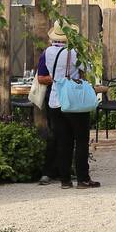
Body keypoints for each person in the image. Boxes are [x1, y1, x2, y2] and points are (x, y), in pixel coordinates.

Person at [35, 21, 98, 189]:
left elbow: (43, 75)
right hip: (74, 100)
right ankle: (83, 178)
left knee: (63, 141)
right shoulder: (76, 52)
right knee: (81, 140)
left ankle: (65, 180)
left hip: (56, 99)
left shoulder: (47, 52)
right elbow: (89, 70)